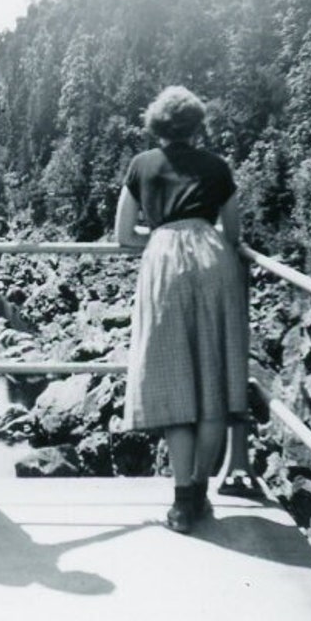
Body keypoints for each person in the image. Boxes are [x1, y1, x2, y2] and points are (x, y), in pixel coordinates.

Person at [114, 85, 251, 534]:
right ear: (196, 125)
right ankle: (199, 493)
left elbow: (123, 235)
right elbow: (233, 233)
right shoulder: (217, 166)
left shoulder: (141, 165)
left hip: (165, 262)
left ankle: (179, 502)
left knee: (176, 384)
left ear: (157, 124)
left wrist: (159, 237)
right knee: (212, 385)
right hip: (213, 261)